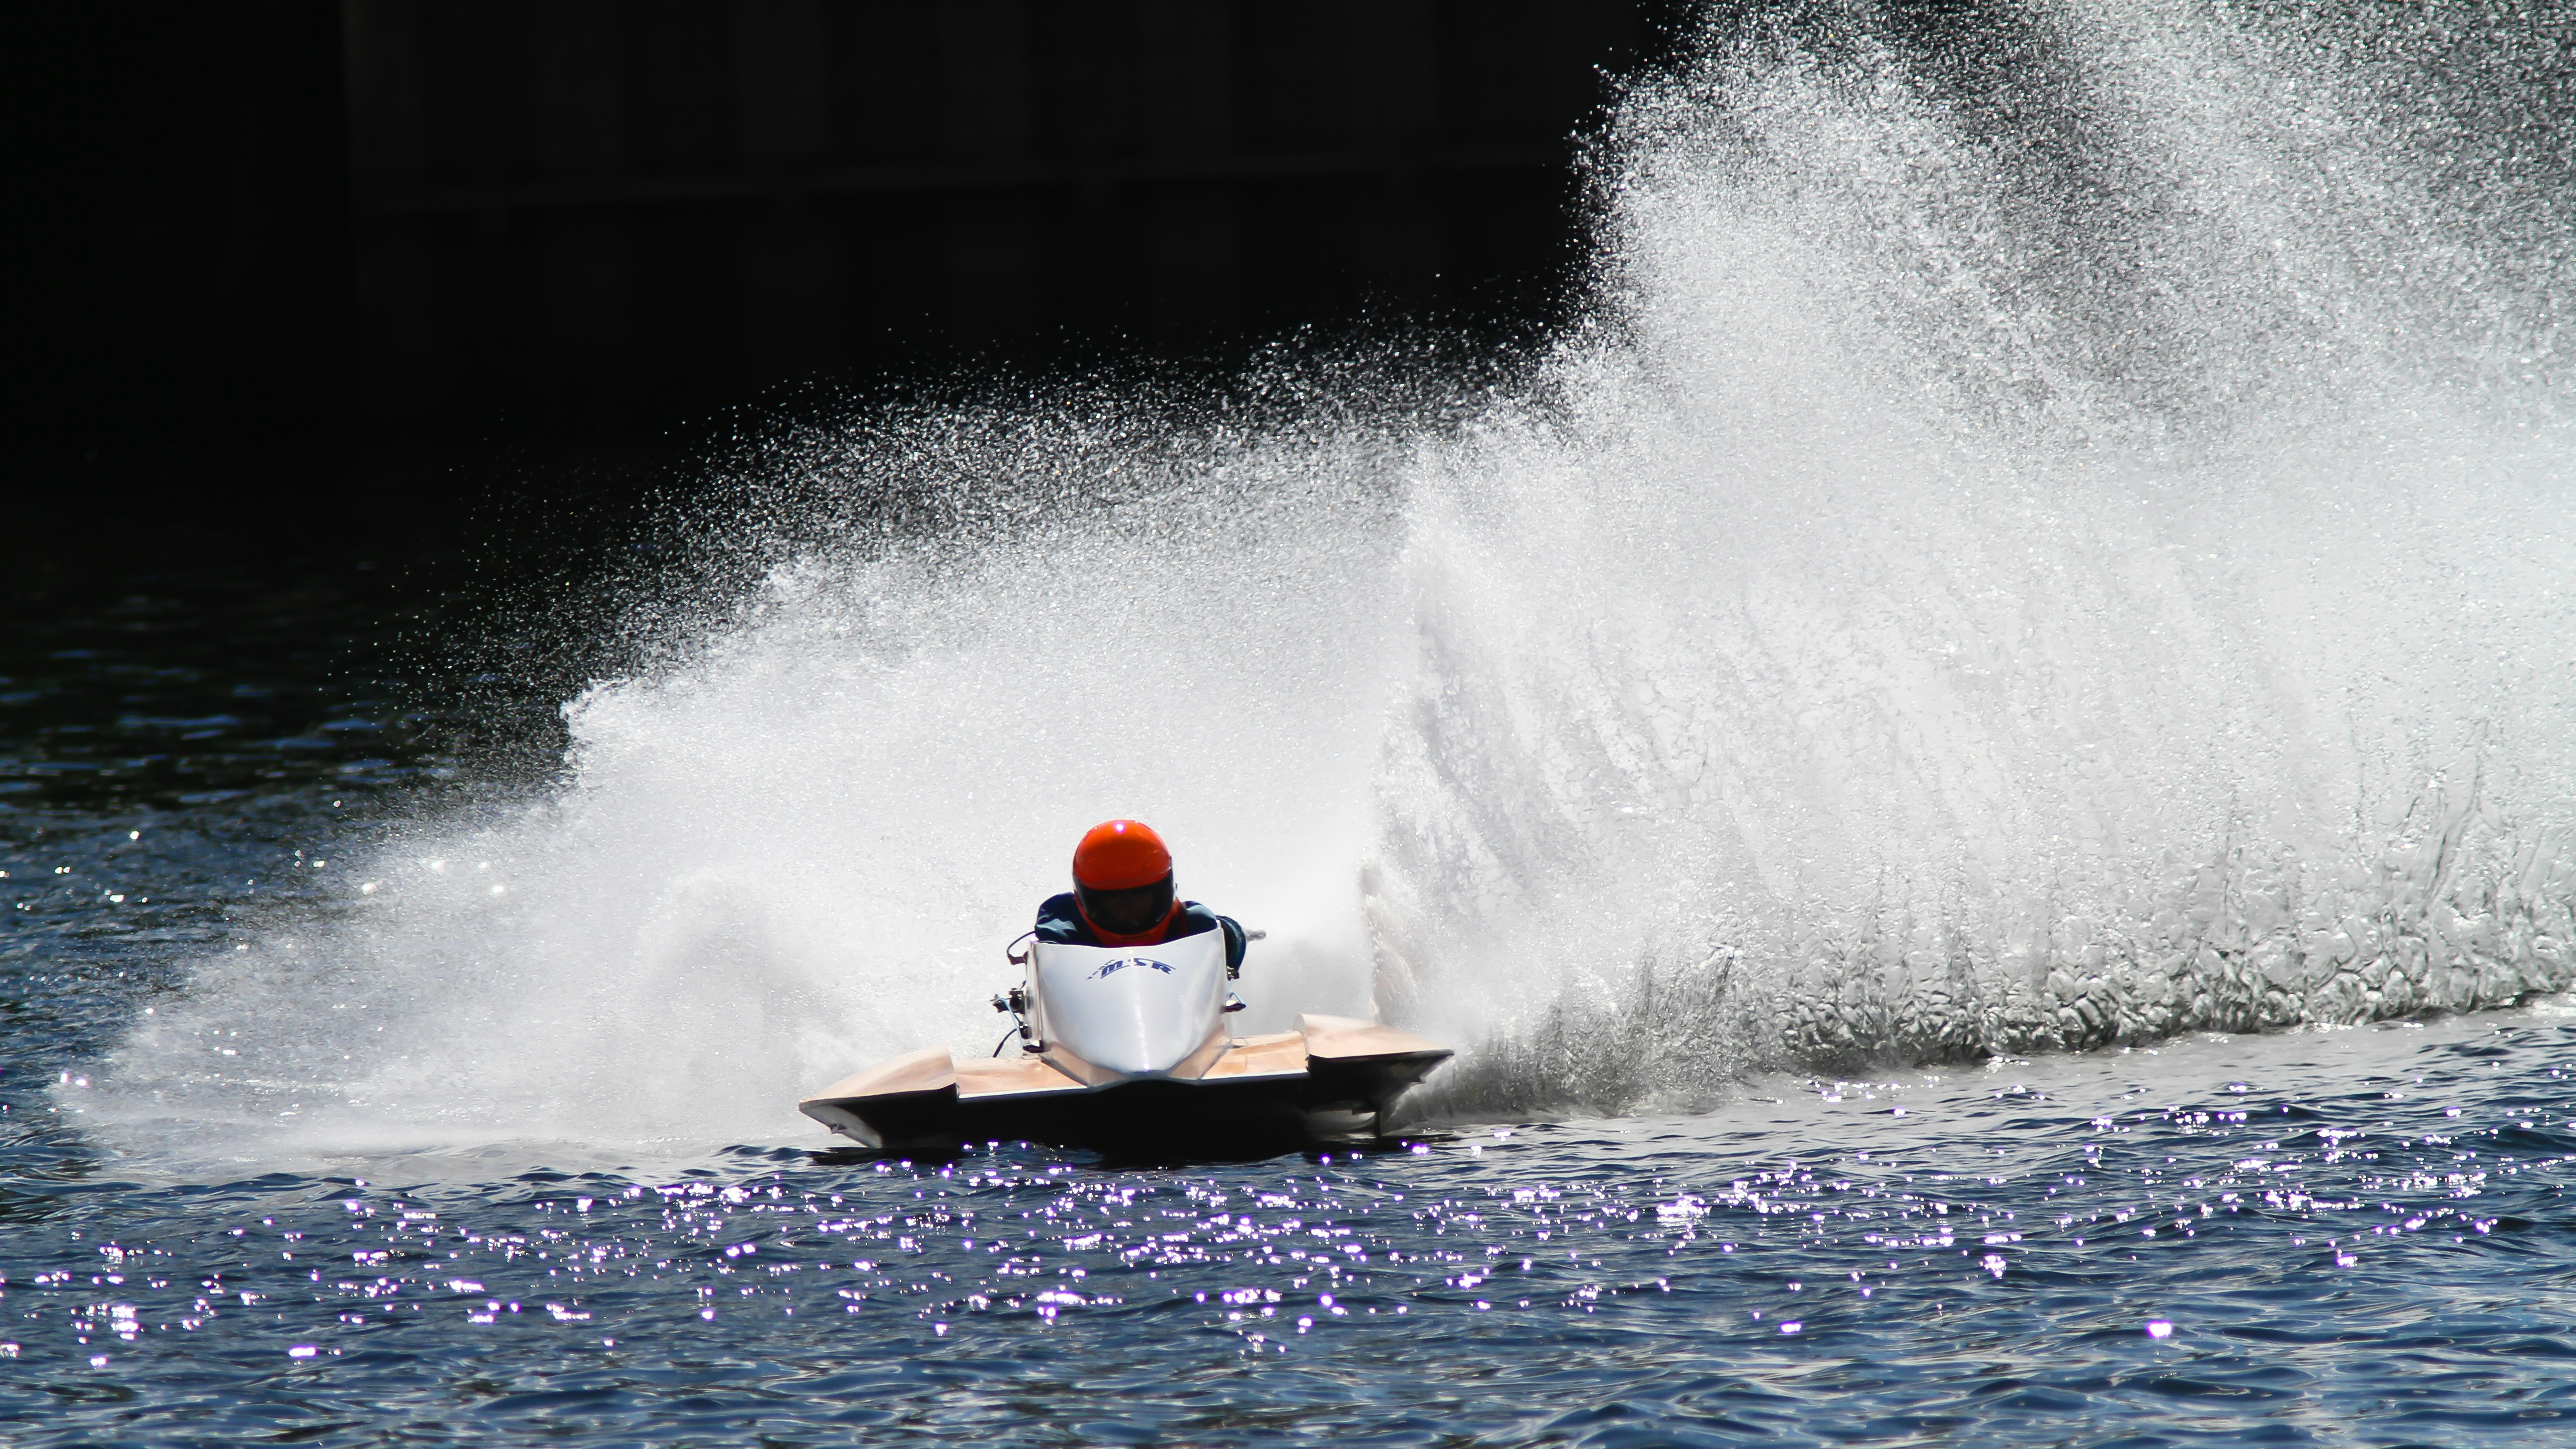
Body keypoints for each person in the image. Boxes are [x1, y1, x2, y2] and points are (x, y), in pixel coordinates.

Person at [1036, 819, 1246, 973]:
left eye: (1142, 894)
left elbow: (1228, 936)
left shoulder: (1193, 925)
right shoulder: (1061, 937)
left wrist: (1230, 939)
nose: (1128, 907)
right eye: (1113, 897)